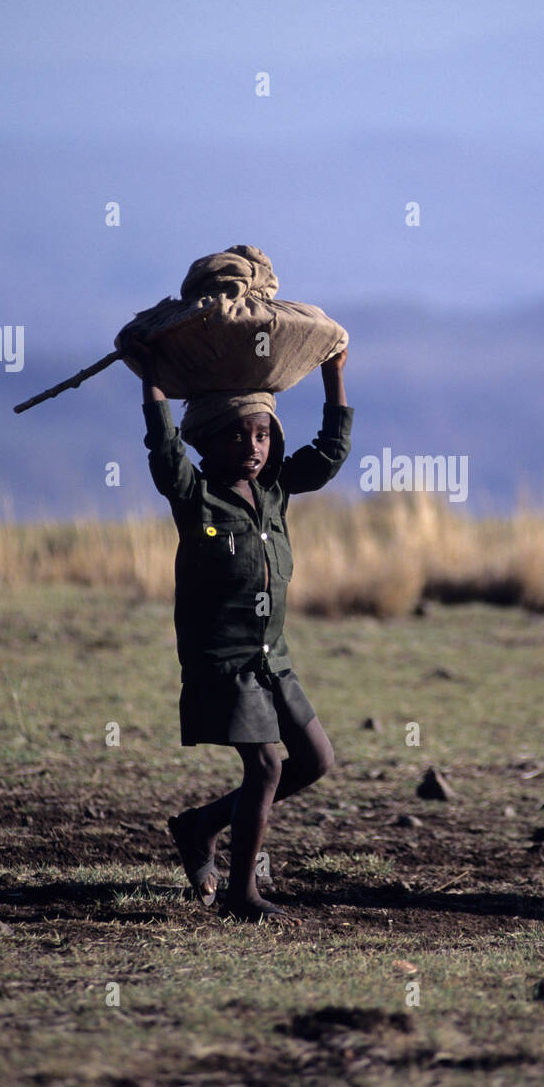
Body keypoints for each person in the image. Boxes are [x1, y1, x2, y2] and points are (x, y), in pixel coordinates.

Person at [127, 335, 352, 921]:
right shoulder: (196, 499)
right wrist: (150, 377)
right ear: (205, 439)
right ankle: (242, 894)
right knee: (267, 766)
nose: (252, 447)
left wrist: (334, 376)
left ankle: (200, 826)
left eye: (261, 434)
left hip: (273, 660)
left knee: (315, 761)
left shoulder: (274, 493)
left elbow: (328, 455)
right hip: (223, 661)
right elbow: (164, 451)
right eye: (236, 435)